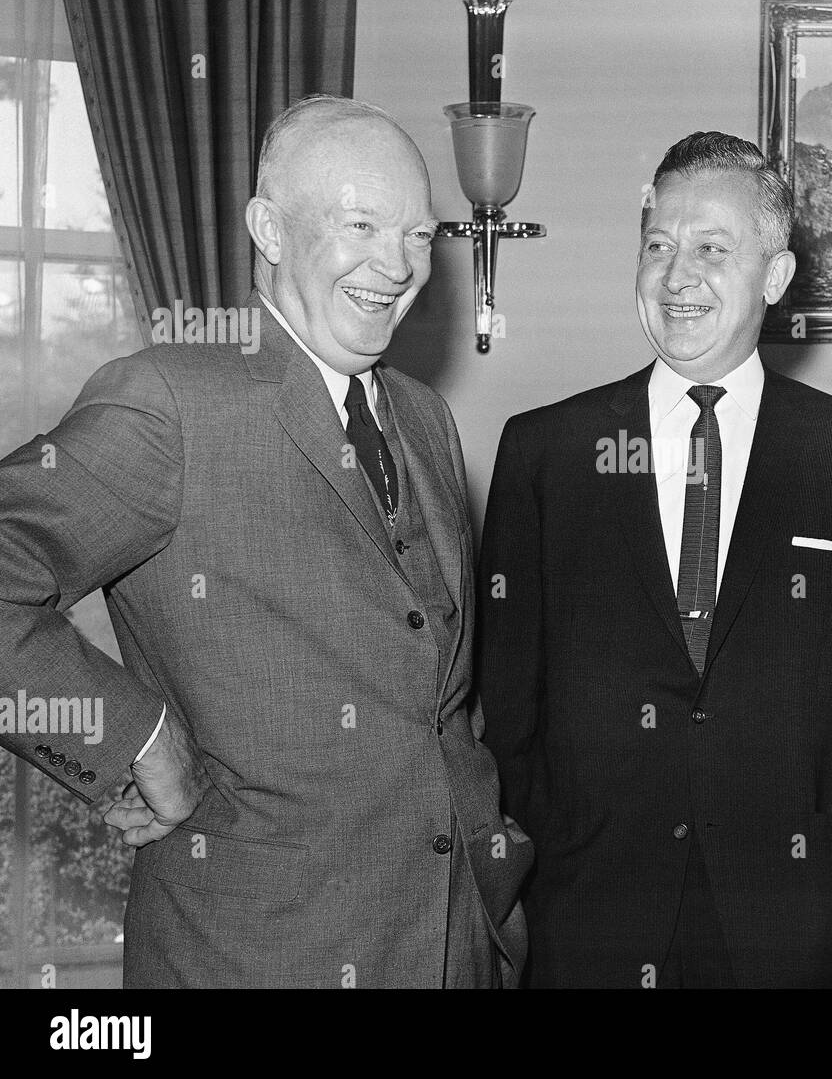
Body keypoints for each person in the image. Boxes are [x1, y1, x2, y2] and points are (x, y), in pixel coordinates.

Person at [0, 95, 531, 987]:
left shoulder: (423, 415)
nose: (396, 265)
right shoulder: (167, 400)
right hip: (260, 952)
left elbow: (439, 693)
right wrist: (137, 738)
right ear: (269, 230)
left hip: (459, 942)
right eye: (360, 223)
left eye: (417, 234)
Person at [476, 131, 832, 988]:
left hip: (799, 918)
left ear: (775, 276)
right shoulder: (545, 451)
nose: (676, 275)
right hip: (589, 915)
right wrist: (512, 890)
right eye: (658, 245)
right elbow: (507, 714)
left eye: (710, 250)